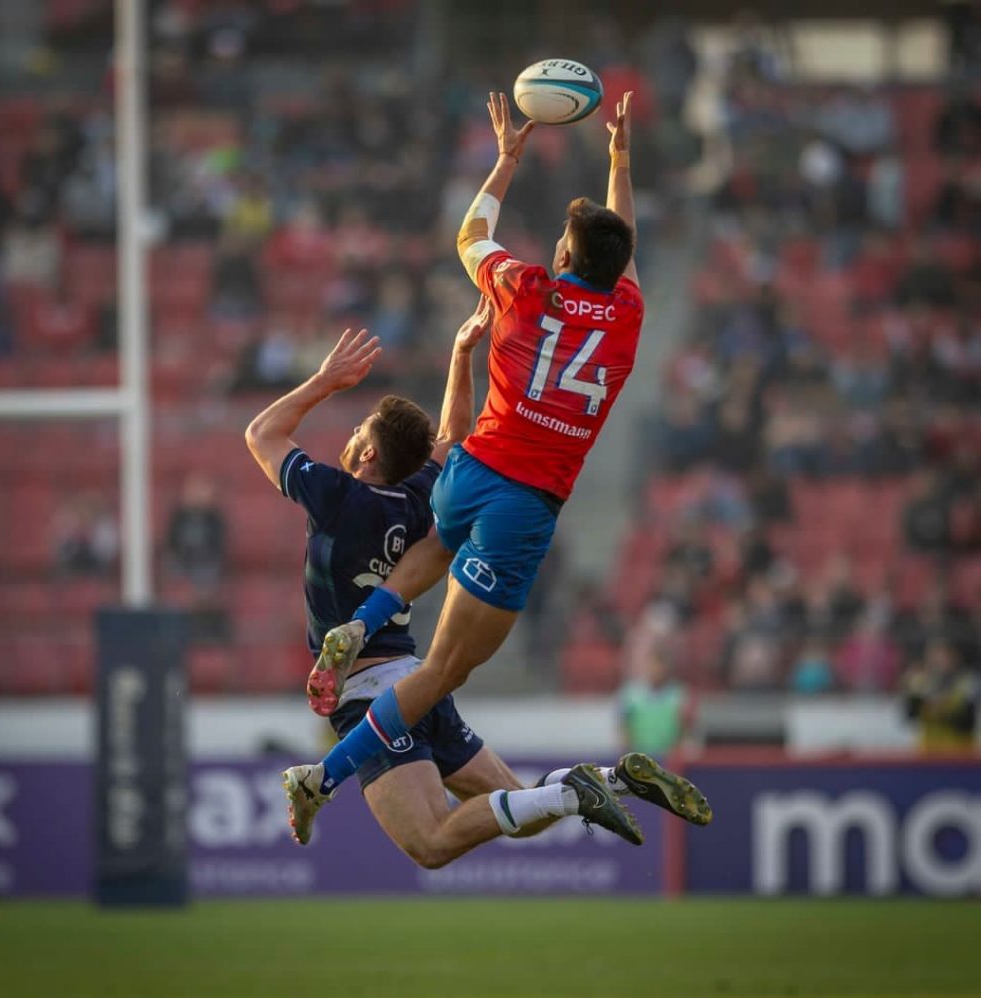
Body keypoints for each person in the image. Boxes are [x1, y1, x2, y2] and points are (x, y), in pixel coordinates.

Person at [287, 93, 693, 839]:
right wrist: (621, 161)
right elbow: (621, 244)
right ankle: (322, 776)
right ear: (617, 266)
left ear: (563, 257)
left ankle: (362, 623)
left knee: (438, 544)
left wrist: (505, 161)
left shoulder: (521, 288)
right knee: (439, 674)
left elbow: (470, 231)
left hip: (470, 470)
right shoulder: (629, 315)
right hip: (523, 504)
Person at [245, 301, 706, 864]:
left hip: (368, 696)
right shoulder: (419, 499)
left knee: (432, 844)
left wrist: (325, 380)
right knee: (524, 812)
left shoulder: (334, 494)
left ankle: (575, 793)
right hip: (416, 680)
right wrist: (462, 355)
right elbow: (452, 437)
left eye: (359, 430)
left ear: (367, 452)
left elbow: (263, 432)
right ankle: (608, 783)